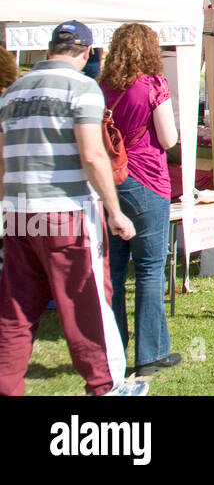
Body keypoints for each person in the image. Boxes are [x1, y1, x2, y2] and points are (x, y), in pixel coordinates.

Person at [0, 21, 145, 396]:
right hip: (66, 211)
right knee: (87, 303)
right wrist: (115, 211)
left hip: (17, 212)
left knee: (16, 309)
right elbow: (93, 154)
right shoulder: (82, 88)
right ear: (86, 53)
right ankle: (107, 385)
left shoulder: (12, 93)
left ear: (49, 50)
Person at [99, 23, 182, 376]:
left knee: (115, 270)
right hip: (145, 179)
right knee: (149, 269)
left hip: (108, 181)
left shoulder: (100, 88)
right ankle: (151, 354)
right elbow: (168, 139)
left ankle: (115, 349)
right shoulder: (152, 86)